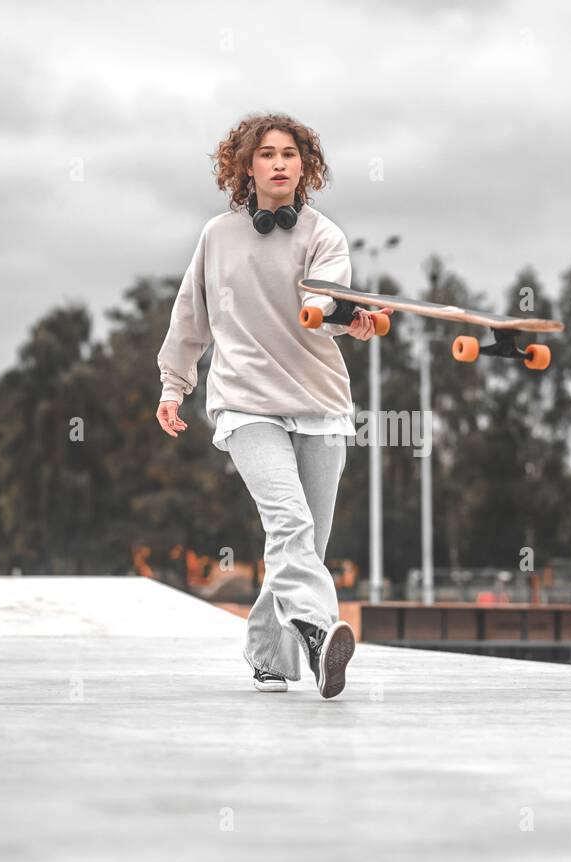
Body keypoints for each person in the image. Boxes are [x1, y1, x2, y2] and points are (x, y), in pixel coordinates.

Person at [154, 113, 391, 700]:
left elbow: (324, 301)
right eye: (267, 154)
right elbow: (192, 315)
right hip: (246, 402)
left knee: (303, 545)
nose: (280, 163)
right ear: (247, 166)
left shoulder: (324, 236)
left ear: (304, 166)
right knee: (290, 522)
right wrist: (173, 383)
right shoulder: (217, 236)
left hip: (319, 400)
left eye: (291, 153)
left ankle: (266, 655)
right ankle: (315, 633)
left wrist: (348, 320)